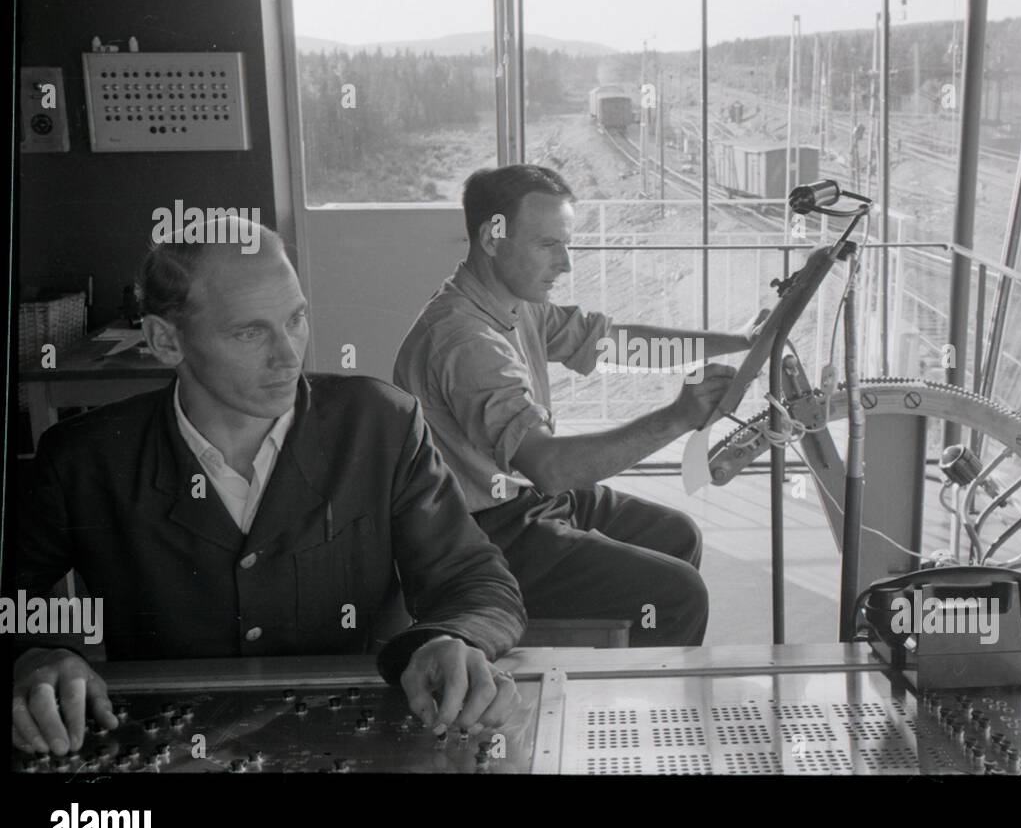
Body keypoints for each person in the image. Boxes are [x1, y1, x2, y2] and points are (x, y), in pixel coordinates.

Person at [10, 218, 527, 757]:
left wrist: (450, 638)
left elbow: (474, 579)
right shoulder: (84, 459)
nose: (289, 356)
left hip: (358, 740)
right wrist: (33, 653)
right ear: (166, 340)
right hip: (166, 750)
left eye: (295, 319)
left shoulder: (379, 423)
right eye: (249, 333)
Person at [394, 165, 763, 648]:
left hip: (523, 501)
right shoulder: (465, 341)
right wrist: (677, 418)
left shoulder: (513, 302)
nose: (565, 264)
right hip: (481, 533)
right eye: (548, 245)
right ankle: (630, 689)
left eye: (565, 244)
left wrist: (739, 341)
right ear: (491, 237)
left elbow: (615, 344)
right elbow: (551, 468)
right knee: (677, 594)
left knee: (677, 534)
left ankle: (629, 671)